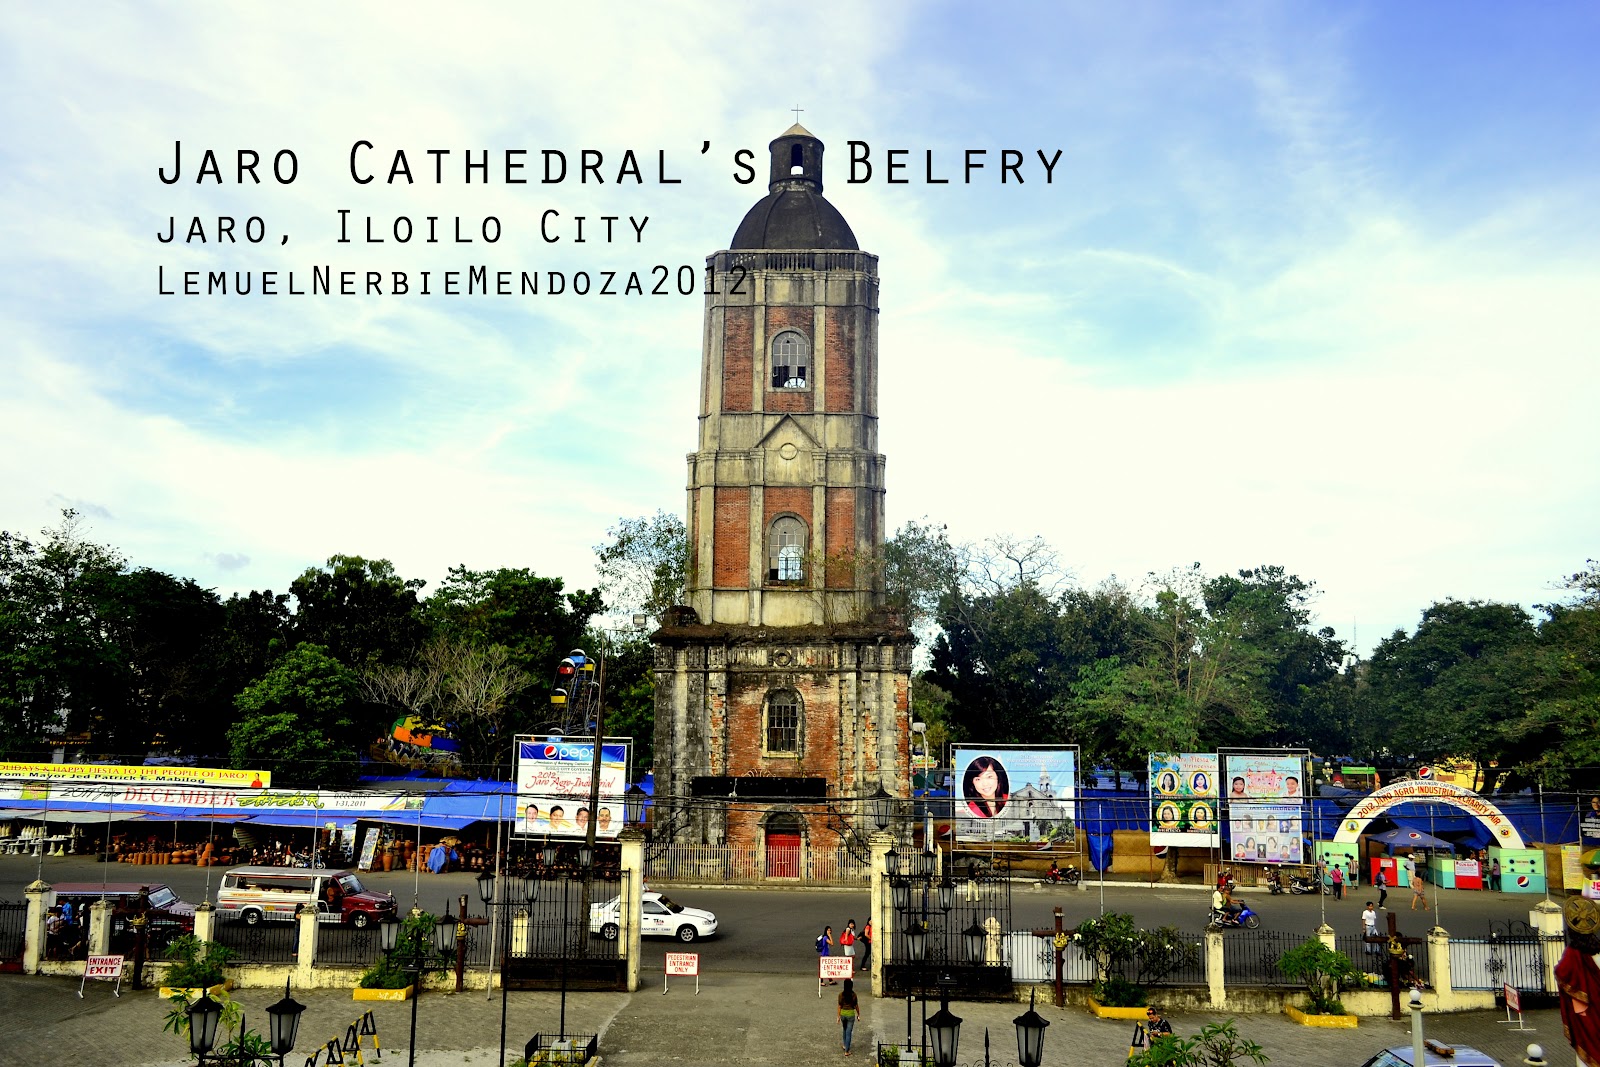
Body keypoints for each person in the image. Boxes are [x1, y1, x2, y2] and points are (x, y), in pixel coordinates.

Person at [837, 978, 859, 1055]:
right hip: (850, 1015)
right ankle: (847, 1050)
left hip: (843, 1014)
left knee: (844, 1029)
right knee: (848, 1032)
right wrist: (858, 1014)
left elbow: (839, 1006)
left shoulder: (841, 995)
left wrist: (838, 1016)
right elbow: (856, 1006)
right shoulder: (854, 995)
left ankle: (844, 1045)